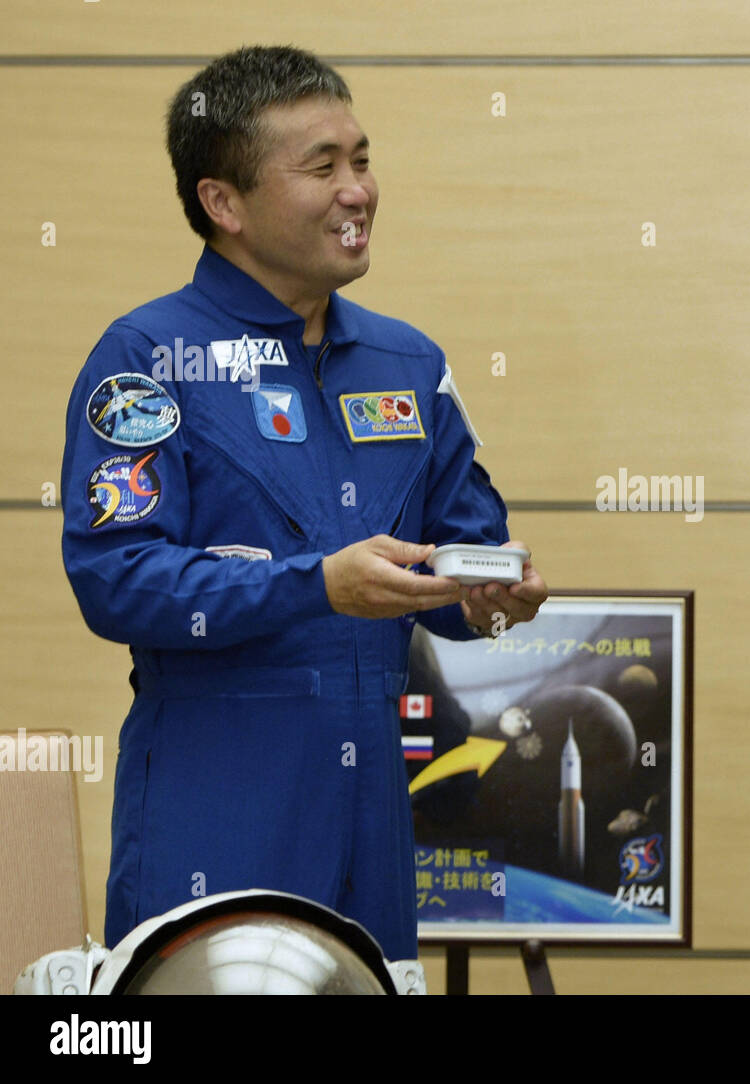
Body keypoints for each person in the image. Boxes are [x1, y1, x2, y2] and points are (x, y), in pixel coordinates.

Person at [60, 45, 548, 967]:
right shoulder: (147, 360)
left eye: (361, 160)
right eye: (321, 167)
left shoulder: (410, 365)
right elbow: (114, 579)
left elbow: (461, 551)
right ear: (224, 202)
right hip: (215, 812)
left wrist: (485, 598)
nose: (357, 190)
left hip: (372, 825)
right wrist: (312, 588)